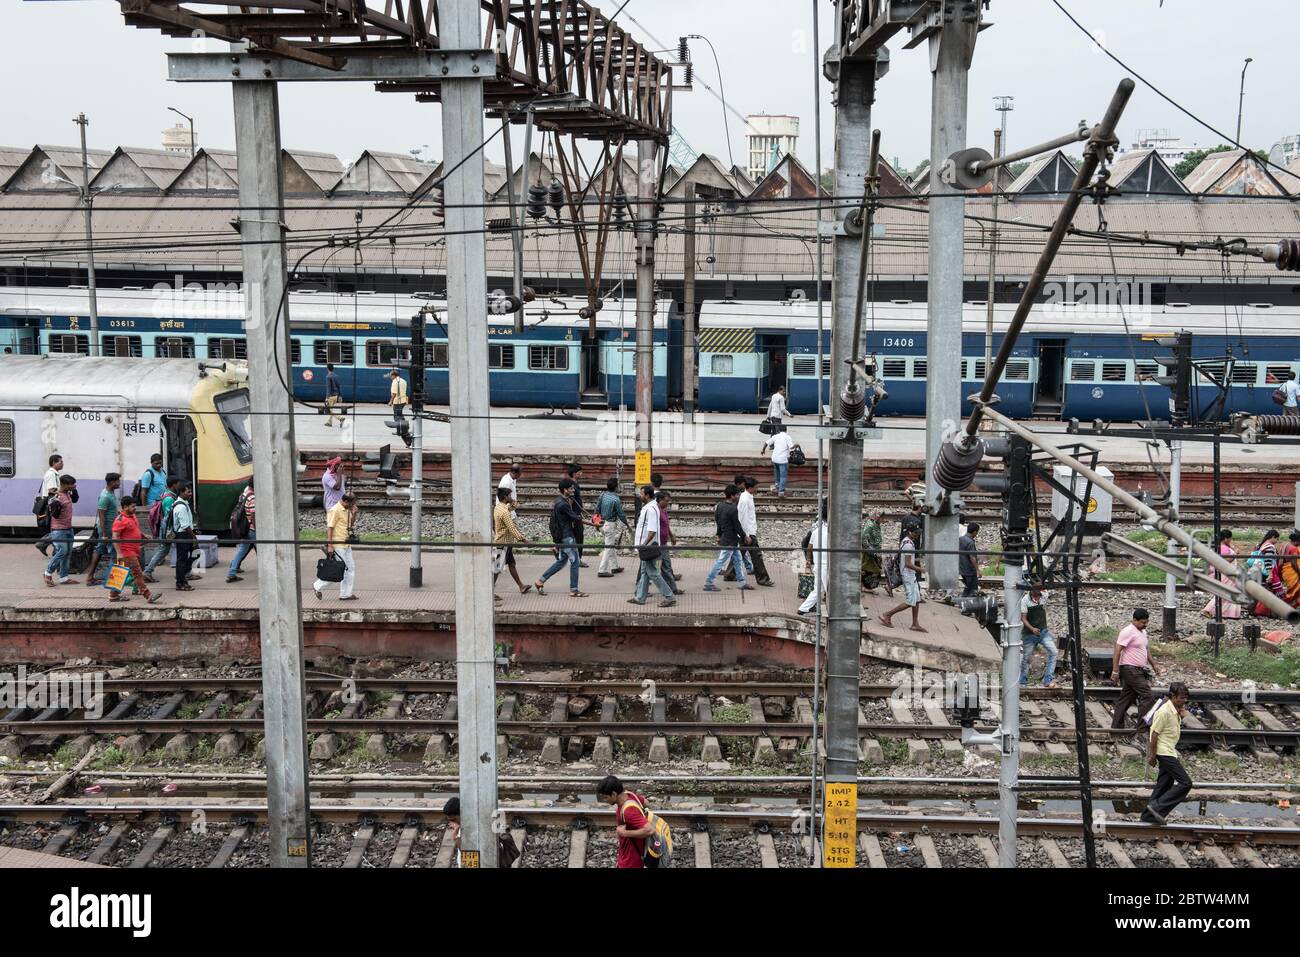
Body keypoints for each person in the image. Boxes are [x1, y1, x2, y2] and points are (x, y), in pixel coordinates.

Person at [1143, 682, 1193, 825]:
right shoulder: (1164, 711)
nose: (1184, 701)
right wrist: (1152, 756)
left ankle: (1147, 817)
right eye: (1181, 698)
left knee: (1164, 785)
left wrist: (1181, 715)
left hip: (1169, 750)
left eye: (1185, 698)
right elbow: (1154, 734)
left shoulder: (1175, 710)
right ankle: (1157, 808)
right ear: (1172, 696)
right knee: (1185, 783)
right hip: (1163, 752)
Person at [535, 478, 588, 598]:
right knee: (575, 562)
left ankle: (540, 581)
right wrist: (594, 524)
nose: (573, 490)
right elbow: (576, 518)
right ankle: (574, 589)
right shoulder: (563, 504)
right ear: (565, 490)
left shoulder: (559, 501)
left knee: (561, 562)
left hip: (563, 536)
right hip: (567, 537)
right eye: (571, 488)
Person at [1111, 608, 1161, 729]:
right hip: (1129, 668)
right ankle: (1142, 727)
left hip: (1138, 669)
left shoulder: (1143, 632)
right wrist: (1115, 671)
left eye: (1147, 622)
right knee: (1147, 695)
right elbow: (1117, 651)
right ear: (1134, 620)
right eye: (1143, 622)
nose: (1145, 625)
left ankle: (1116, 726)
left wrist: (1154, 665)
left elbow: (1146, 649)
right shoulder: (1127, 631)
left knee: (1127, 698)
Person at [595, 775, 659, 869]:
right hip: (629, 852)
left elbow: (650, 830)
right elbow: (645, 802)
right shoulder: (630, 795)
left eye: (605, 797)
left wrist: (625, 833)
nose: (605, 801)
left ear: (614, 794)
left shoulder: (629, 811)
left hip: (631, 859)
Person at [628, 485, 675, 606]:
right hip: (645, 546)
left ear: (647, 495)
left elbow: (652, 530)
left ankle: (669, 597)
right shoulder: (650, 507)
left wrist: (643, 545)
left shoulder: (651, 509)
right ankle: (640, 597)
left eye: (641, 493)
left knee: (653, 572)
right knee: (644, 572)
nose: (640, 495)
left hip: (648, 546)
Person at [110, 497, 161, 604]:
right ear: (125, 507)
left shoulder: (132, 516)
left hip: (131, 551)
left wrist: (143, 536)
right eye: (133, 506)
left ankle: (113, 596)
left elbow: (135, 530)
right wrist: (119, 553)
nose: (135, 508)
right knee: (137, 573)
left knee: (119, 573)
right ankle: (148, 595)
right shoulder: (120, 520)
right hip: (126, 552)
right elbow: (115, 537)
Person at [703, 485, 751, 593]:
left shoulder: (720, 506)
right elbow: (737, 526)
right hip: (730, 540)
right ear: (732, 496)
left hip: (728, 538)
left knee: (738, 560)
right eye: (737, 494)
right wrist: (745, 536)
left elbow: (718, 521)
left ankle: (742, 582)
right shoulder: (733, 509)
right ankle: (709, 583)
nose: (739, 496)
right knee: (720, 562)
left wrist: (719, 535)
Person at [313, 490, 359, 601]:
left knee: (350, 568)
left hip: (346, 543)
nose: (353, 506)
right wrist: (330, 545)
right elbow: (330, 528)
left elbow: (350, 525)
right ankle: (317, 586)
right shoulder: (335, 510)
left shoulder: (347, 509)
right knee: (338, 569)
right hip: (337, 544)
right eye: (352, 504)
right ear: (345, 501)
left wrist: (354, 514)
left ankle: (345, 594)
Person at [879, 525, 926, 632]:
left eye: (918, 533)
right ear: (910, 532)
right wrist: (921, 569)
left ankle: (915, 623)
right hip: (908, 576)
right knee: (910, 602)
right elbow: (908, 563)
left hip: (910, 575)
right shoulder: (909, 545)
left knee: (917, 600)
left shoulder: (905, 540)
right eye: (916, 533)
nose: (918, 535)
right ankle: (887, 615)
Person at [728, 477, 773, 586]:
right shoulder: (744, 499)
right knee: (757, 557)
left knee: (739, 553)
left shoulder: (748, 497)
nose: (757, 489)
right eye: (756, 487)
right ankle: (763, 579)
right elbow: (742, 517)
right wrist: (746, 535)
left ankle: (730, 574)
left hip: (748, 532)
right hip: (748, 533)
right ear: (750, 488)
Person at [492, 486, 532, 600]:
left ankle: (521, 586)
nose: (511, 497)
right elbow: (512, 528)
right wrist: (524, 540)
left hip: (506, 542)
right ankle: (489, 592)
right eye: (509, 496)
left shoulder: (499, 507)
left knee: (512, 564)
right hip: (502, 543)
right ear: (505, 497)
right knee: (496, 569)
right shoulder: (504, 512)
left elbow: (514, 506)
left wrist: (512, 501)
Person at [85, 472, 122, 586]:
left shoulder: (110, 493)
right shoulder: (105, 496)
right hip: (107, 530)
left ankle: (90, 577)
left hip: (110, 528)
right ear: (111, 482)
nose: (119, 483)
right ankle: (114, 582)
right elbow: (102, 516)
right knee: (115, 553)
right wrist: (105, 534)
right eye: (117, 481)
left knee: (100, 551)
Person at [141, 478, 182, 582]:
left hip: (166, 527)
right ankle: (147, 572)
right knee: (163, 550)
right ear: (174, 485)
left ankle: (184, 572)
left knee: (167, 550)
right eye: (178, 484)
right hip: (167, 528)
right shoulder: (169, 498)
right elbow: (170, 516)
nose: (179, 486)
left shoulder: (167, 494)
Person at [1019, 584, 1058, 688]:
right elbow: (1023, 618)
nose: (1040, 592)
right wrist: (1032, 629)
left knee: (1053, 652)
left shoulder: (1043, 595)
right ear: (1032, 590)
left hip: (1043, 632)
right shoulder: (1025, 600)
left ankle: (1047, 680)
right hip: (1029, 634)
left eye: (1040, 589)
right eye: (1037, 590)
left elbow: (1047, 591)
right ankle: (1022, 681)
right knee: (1026, 658)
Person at [42, 474, 78, 586]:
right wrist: (55, 502)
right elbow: (55, 514)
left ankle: (64, 577)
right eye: (72, 484)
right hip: (58, 530)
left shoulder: (68, 494)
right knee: (62, 552)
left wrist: (74, 491)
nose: (74, 486)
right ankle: (47, 573)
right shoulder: (56, 497)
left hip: (68, 528)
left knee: (68, 553)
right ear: (65, 485)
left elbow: (76, 499)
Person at [1202, 529, 1242, 619]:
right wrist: (1235, 553)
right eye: (1230, 539)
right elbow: (1225, 561)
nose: (1231, 540)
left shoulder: (1221, 547)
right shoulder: (1223, 548)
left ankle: (1228, 613)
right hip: (1227, 574)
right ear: (1225, 539)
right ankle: (1208, 610)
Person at [595, 478, 631, 577]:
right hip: (610, 526)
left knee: (610, 545)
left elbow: (597, 509)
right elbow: (621, 515)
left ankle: (614, 567)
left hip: (602, 524)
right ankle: (602, 570)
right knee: (608, 547)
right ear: (616, 487)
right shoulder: (616, 499)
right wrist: (627, 525)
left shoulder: (603, 495)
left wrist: (596, 523)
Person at [798, 501, 829, 615]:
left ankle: (803, 608)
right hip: (825, 565)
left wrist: (809, 560)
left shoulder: (817, 530)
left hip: (817, 564)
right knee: (829, 590)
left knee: (818, 589)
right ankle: (836, 612)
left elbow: (809, 546)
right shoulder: (830, 532)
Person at [226, 478, 256, 583]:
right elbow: (253, 514)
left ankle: (231, 573)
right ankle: (268, 573)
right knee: (263, 551)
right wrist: (257, 528)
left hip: (245, 528)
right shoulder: (252, 497)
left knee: (242, 550)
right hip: (252, 529)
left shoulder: (245, 493)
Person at [35, 453, 66, 556]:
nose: (62, 464)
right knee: (56, 527)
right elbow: (52, 490)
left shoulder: (54, 473)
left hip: (52, 503)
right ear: (54, 463)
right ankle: (44, 544)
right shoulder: (51, 474)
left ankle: (49, 547)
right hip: (52, 505)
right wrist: (64, 492)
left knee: (56, 527)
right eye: (60, 462)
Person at [171, 483, 198, 592]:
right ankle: (180, 582)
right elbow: (185, 526)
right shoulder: (181, 506)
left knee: (196, 553)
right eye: (188, 492)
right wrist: (193, 537)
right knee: (181, 559)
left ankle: (182, 575)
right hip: (183, 535)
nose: (190, 494)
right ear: (182, 492)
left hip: (186, 534)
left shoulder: (183, 503)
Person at [761, 425, 798, 497]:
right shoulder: (787, 437)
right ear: (786, 430)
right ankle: (781, 492)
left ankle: (777, 487)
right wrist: (796, 445)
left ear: (778, 430)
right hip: (783, 460)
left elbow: (766, 443)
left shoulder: (775, 436)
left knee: (777, 474)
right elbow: (791, 448)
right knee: (783, 476)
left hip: (774, 459)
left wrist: (763, 450)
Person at [860, 508, 888, 593]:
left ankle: (864, 587)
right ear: (877, 517)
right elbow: (864, 539)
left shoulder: (875, 524)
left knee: (868, 570)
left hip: (873, 552)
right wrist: (873, 552)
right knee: (868, 570)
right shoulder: (870, 525)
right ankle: (865, 587)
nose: (883, 520)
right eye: (882, 518)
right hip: (870, 553)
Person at [566, 463, 589, 565]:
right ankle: (577, 560)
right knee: (579, 537)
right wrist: (572, 517)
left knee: (575, 537)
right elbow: (570, 501)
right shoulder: (572, 485)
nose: (582, 473)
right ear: (574, 473)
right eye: (580, 472)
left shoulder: (574, 484)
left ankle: (574, 558)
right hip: (574, 516)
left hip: (576, 514)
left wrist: (581, 511)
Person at [959, 522, 980, 597]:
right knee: (973, 590)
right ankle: (969, 606)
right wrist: (977, 570)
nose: (976, 534)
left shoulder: (960, 539)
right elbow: (972, 557)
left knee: (967, 588)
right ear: (974, 532)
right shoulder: (970, 542)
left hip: (961, 569)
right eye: (977, 532)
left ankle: (963, 603)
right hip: (969, 570)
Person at [324, 362, 345, 427]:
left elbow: (328, 388)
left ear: (327, 369)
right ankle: (329, 422)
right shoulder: (336, 376)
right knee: (331, 409)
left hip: (331, 397)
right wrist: (340, 396)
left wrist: (327, 398)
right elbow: (339, 386)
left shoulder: (328, 377)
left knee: (329, 411)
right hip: (336, 396)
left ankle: (340, 418)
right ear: (333, 368)